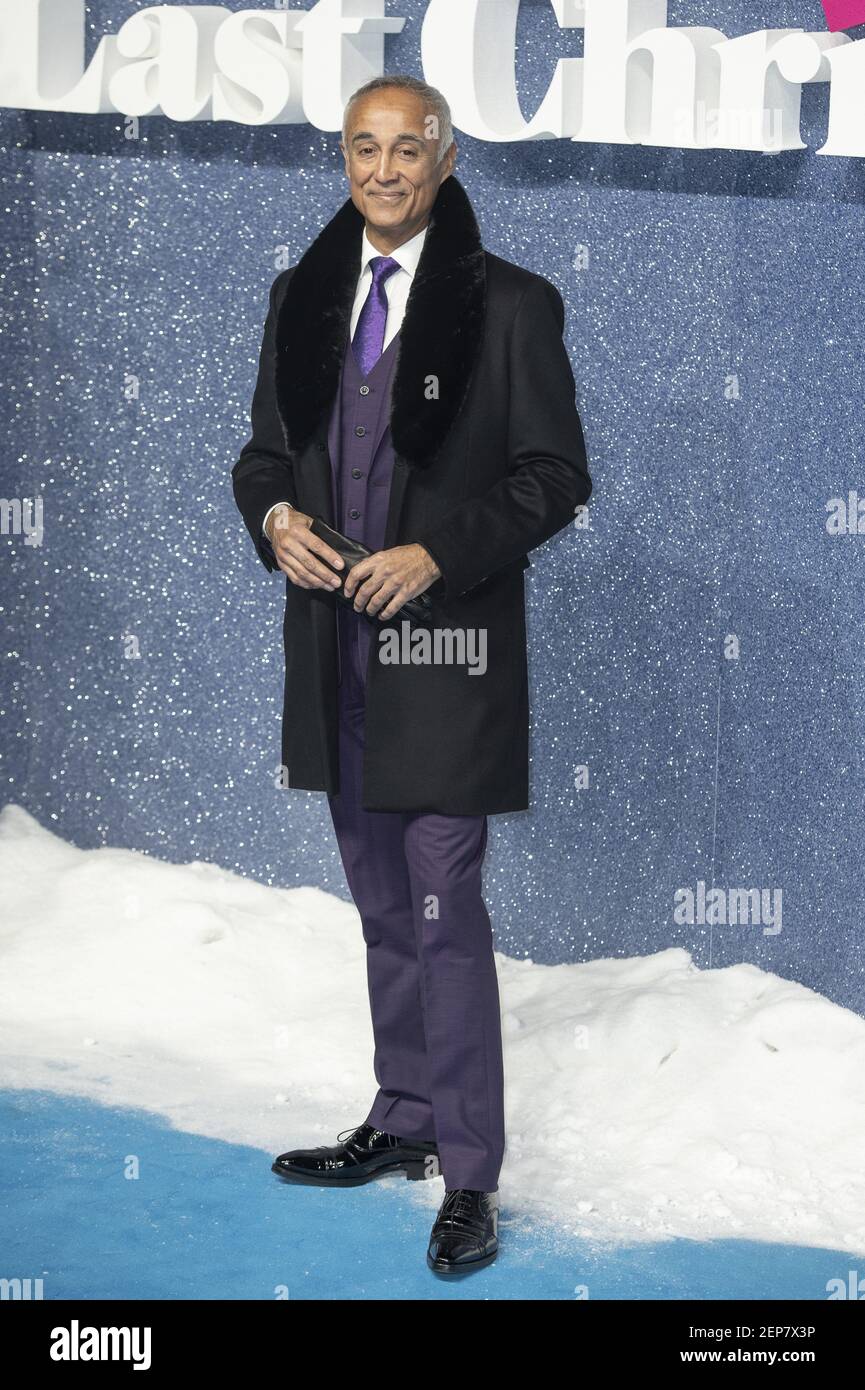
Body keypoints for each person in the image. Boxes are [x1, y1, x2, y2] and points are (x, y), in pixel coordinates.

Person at [231, 73, 591, 1276]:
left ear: (442, 156)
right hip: (333, 650)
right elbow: (261, 455)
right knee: (381, 902)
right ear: (343, 158)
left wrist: (438, 550)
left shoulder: (511, 307)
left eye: (405, 149)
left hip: (447, 656)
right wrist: (274, 513)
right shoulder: (301, 294)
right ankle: (404, 1119)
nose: (382, 171)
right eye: (361, 149)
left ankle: (472, 1176)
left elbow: (553, 479)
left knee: (443, 910)